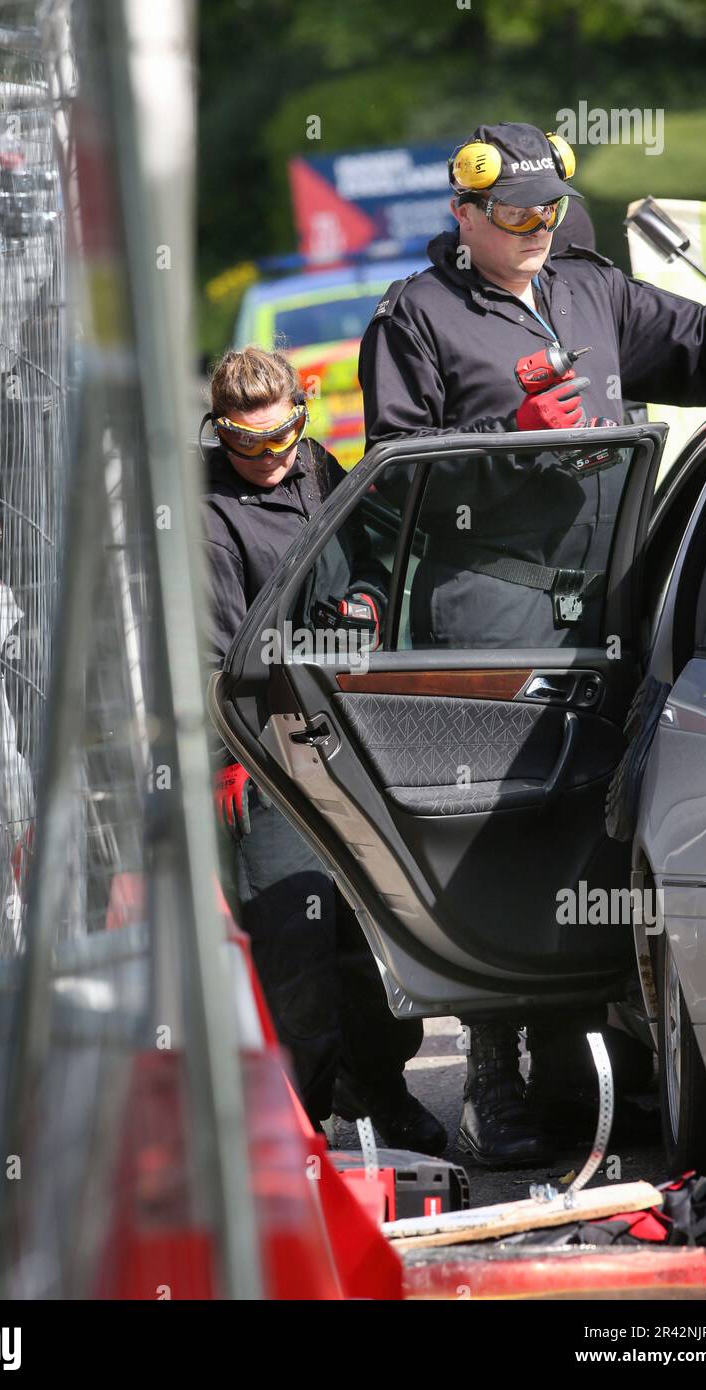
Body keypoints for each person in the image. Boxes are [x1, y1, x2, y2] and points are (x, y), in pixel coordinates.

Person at [358, 121, 706, 1165]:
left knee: (590, 829)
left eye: (546, 209)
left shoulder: (588, 289)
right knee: (497, 836)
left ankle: (602, 1057)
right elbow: (397, 486)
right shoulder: (416, 319)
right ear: (462, 213)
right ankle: (494, 1077)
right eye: (513, 216)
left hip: (605, 611)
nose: (536, 229)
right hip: (485, 617)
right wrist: (515, 448)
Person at [200, 346, 446, 1152]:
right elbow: (219, 660)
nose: (270, 461)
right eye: (249, 446)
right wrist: (230, 756)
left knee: (368, 938)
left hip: (345, 744)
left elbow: (373, 555)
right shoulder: (207, 514)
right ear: (222, 434)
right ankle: (296, 1131)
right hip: (265, 756)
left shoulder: (320, 467)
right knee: (295, 957)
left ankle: (378, 1094)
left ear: (301, 419)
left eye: (283, 440)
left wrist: (368, 605)